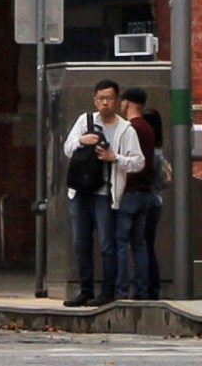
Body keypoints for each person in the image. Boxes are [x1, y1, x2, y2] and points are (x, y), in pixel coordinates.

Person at [61, 78, 138, 304]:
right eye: (101, 99)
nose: (105, 103)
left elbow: (138, 161)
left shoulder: (126, 129)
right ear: (95, 100)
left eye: (110, 99)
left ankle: (108, 291)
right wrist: (81, 141)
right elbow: (67, 148)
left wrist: (115, 158)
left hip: (105, 193)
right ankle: (85, 290)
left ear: (117, 101)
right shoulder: (84, 121)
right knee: (81, 243)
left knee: (107, 244)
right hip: (80, 190)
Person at [119, 101, 169, 305]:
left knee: (135, 243)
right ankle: (150, 288)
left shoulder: (148, 152)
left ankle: (139, 287)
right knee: (146, 245)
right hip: (154, 200)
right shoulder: (158, 151)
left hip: (138, 197)